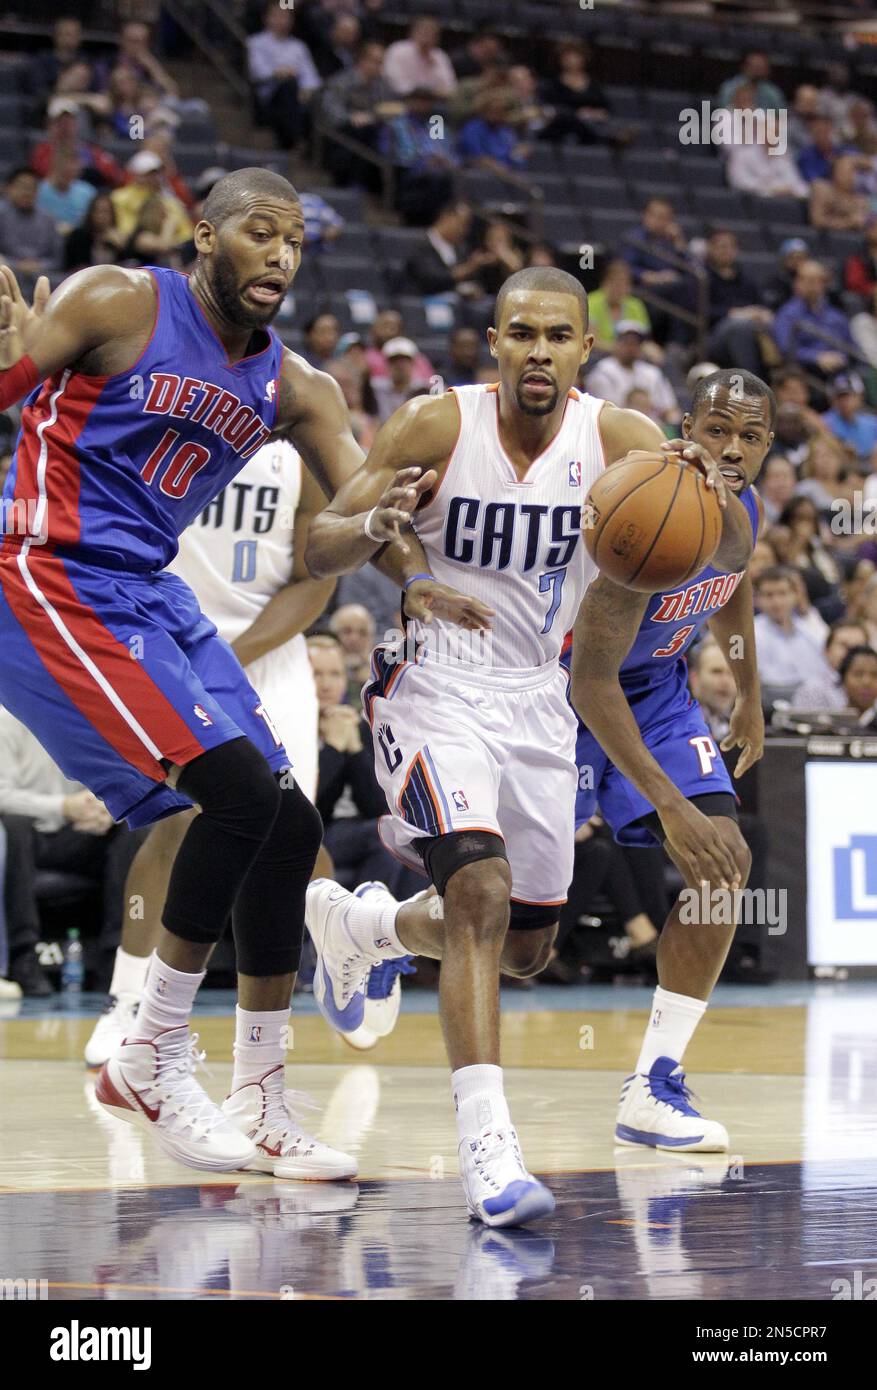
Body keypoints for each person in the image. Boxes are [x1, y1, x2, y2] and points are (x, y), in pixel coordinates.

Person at [0, 165, 479, 1178]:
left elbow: (340, 524)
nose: (280, 255)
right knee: (221, 797)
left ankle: (263, 1093)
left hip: (147, 589)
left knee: (288, 819)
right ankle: (149, 1048)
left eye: (296, 241)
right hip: (48, 568)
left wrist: (392, 543)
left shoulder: (295, 387)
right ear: (203, 234)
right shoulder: (117, 299)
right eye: (260, 232)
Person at [299, 265, 729, 1226]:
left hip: (540, 701)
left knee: (524, 947)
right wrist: (379, 534)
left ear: (585, 348)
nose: (538, 349)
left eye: (558, 335)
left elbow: (694, 542)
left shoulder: (620, 444)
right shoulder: (432, 425)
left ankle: (362, 930)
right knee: (479, 893)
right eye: (520, 332)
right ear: (491, 343)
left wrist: (696, 501)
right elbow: (319, 546)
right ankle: (488, 1146)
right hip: (434, 682)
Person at [565, 369, 772, 1151]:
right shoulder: (647, 500)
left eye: (749, 436)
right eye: (716, 429)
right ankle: (379, 930)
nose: (730, 448)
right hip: (561, 694)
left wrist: (746, 690)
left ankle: (653, 1081)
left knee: (725, 867)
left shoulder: (742, 506)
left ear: (764, 447)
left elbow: (734, 580)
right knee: (518, 938)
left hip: (655, 691)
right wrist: (670, 806)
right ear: (685, 425)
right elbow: (589, 681)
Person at [83, 439, 335, 1065]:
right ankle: (128, 998)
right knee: (179, 819)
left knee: (294, 822)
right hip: (170, 636)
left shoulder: (296, 462)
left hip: (268, 651)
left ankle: (339, 961)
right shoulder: (166, 432)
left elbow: (313, 580)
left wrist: (240, 655)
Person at [0, 707, 147, 997]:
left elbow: (114, 780)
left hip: (77, 834)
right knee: (14, 827)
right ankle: (23, 956)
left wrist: (108, 810)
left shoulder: (88, 716)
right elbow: (3, 795)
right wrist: (63, 808)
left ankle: (117, 957)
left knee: (133, 827)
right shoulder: (7, 720)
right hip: (32, 834)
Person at [246, 5, 322, 150]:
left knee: (310, 96)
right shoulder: (255, 42)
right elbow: (258, 72)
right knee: (288, 84)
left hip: (296, 97)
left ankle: (305, 144)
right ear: (267, 19)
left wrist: (306, 90)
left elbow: (311, 76)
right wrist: (279, 73)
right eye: (278, 16)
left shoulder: (299, 46)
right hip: (267, 97)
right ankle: (294, 139)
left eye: (286, 17)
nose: (283, 21)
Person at [773, 259, 855, 382]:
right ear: (797, 283)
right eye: (809, 281)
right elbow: (786, 349)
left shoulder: (836, 315)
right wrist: (817, 357)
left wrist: (841, 357)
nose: (813, 286)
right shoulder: (788, 314)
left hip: (839, 369)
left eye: (819, 281)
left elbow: (851, 346)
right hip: (807, 371)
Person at [753, 566, 826, 698]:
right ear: (758, 599)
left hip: (812, 701)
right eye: (769, 595)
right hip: (770, 702)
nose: (776, 602)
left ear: (795, 595)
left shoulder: (809, 629)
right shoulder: (752, 632)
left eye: (782, 593)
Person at [586, 321, 678, 424]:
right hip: (618, 427)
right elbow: (604, 414)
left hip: (653, 428)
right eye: (627, 342)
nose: (631, 348)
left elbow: (670, 409)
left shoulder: (652, 372)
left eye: (635, 343)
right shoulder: (603, 371)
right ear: (616, 343)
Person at [0, 168, 62, 284]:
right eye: (22, 186)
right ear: (8, 188)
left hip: (41, 274)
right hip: (6, 272)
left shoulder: (48, 219)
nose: (27, 192)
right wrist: (17, 265)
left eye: (32, 188)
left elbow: (57, 259)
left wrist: (39, 265)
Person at [791, 620, 869, 709]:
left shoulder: (873, 688)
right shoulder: (811, 690)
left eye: (857, 647)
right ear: (826, 650)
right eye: (844, 645)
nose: (850, 652)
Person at [382, 17, 456, 98]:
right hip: (403, 98)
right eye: (424, 33)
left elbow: (450, 86)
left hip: (433, 101)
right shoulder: (398, 50)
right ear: (413, 33)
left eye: (432, 35)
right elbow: (393, 80)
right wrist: (419, 93)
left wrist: (433, 66)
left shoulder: (439, 55)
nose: (428, 38)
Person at [587, 259, 650, 353]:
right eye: (615, 283)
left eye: (624, 284)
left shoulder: (636, 305)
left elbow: (644, 340)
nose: (619, 288)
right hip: (600, 354)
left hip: (630, 355)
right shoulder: (591, 301)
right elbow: (592, 341)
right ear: (605, 283)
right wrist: (620, 350)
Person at [821, 372, 877, 463]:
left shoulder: (872, 422)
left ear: (859, 397)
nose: (844, 402)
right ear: (832, 400)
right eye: (839, 397)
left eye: (848, 397)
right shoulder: (824, 422)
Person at [809, 155, 871, 233]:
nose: (849, 176)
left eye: (852, 171)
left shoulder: (860, 199)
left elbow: (863, 224)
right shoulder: (822, 189)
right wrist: (848, 222)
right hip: (825, 240)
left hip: (851, 242)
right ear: (835, 172)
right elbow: (817, 221)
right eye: (844, 171)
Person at [838, 645, 877, 725]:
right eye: (858, 674)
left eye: (875, 675)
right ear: (843, 678)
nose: (866, 682)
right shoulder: (829, 725)